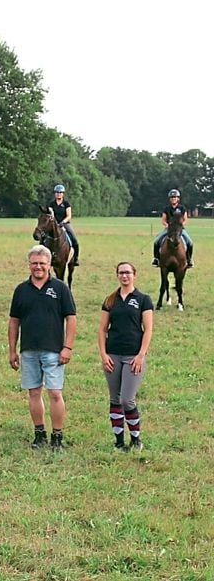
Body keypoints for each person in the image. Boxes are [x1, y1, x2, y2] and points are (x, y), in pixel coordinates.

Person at [8, 245, 78, 451]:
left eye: (42, 263)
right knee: (34, 392)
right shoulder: (21, 290)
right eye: (34, 263)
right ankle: (39, 434)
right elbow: (14, 321)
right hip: (29, 349)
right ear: (29, 265)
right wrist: (12, 350)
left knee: (55, 393)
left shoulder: (60, 288)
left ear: (49, 264)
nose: (38, 267)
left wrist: (68, 347)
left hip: (54, 350)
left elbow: (71, 318)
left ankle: (57, 435)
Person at [99, 262, 154, 451]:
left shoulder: (143, 299)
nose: (124, 276)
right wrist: (103, 354)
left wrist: (141, 355)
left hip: (133, 355)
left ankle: (136, 439)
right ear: (117, 275)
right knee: (115, 399)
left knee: (127, 400)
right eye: (121, 273)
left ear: (134, 275)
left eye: (128, 272)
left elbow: (148, 329)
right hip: (113, 354)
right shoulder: (110, 300)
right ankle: (119, 441)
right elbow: (102, 329)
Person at [152, 189, 194, 268]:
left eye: (175, 197)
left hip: (179, 229)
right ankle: (156, 259)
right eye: (172, 197)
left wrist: (180, 226)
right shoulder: (166, 208)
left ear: (178, 198)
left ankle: (189, 260)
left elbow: (185, 219)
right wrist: (166, 225)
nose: (173, 199)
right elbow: (163, 220)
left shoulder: (182, 208)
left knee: (190, 242)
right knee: (156, 241)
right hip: (169, 229)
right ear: (169, 199)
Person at [47, 184, 80, 266]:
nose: (58, 194)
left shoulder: (66, 204)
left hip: (65, 224)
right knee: (44, 237)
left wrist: (63, 222)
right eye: (57, 192)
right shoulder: (52, 204)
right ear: (55, 193)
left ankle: (76, 258)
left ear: (63, 194)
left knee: (75, 240)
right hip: (54, 225)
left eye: (60, 192)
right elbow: (51, 214)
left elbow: (69, 216)